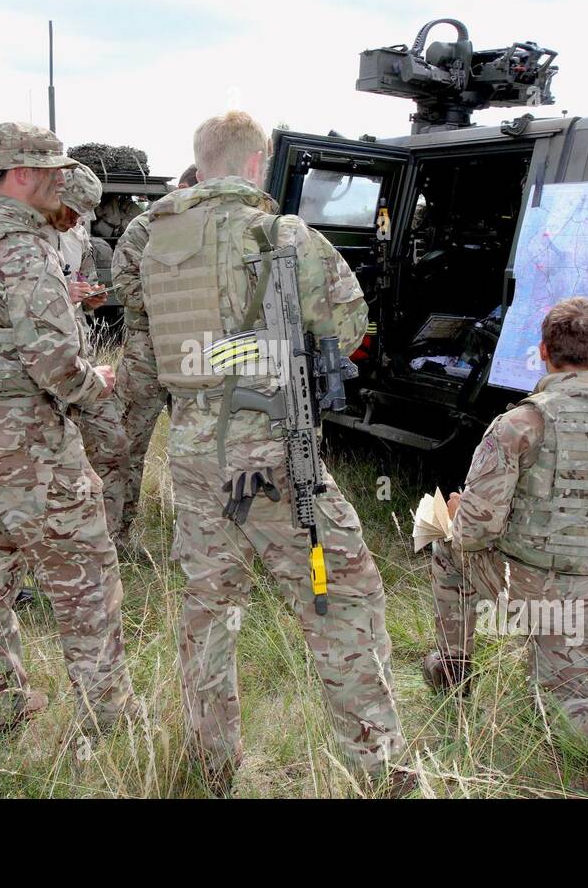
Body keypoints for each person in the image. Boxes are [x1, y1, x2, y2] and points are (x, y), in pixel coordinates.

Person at [138, 113, 406, 793]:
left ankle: (210, 761)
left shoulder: (154, 241)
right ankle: (378, 765)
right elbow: (347, 328)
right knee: (339, 593)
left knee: (209, 607)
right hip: (266, 443)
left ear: (200, 165)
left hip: (193, 446)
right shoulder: (281, 234)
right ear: (256, 166)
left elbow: (154, 351)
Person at [0, 122, 137, 734]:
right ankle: (111, 719)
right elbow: (51, 359)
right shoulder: (22, 249)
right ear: (21, 174)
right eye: (51, 170)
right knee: (86, 576)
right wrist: (93, 382)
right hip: (28, 434)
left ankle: (0, 703)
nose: (60, 181)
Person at [424, 297, 588, 797]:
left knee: (447, 548)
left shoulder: (520, 424)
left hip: (531, 589)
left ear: (541, 352)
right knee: (565, 702)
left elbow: (475, 532)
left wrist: (455, 513)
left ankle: (454, 666)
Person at [110, 163, 197, 535]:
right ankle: (117, 531)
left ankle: (197, 534)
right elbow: (127, 288)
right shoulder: (144, 229)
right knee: (126, 443)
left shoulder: (208, 231)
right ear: (181, 187)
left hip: (197, 354)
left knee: (200, 447)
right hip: (147, 351)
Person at [43, 162, 128, 537]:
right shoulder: (24, 240)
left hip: (81, 360)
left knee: (112, 442)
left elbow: (85, 281)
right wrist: (64, 292)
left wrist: (91, 296)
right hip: (45, 369)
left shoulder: (77, 236)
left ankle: (106, 535)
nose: (75, 218)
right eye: (72, 208)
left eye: (82, 213)